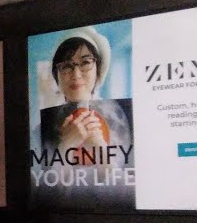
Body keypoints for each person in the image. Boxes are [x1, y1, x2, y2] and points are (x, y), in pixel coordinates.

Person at [38, 27, 131, 157]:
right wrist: (65, 147)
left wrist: (102, 153)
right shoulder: (39, 131)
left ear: (98, 71)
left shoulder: (121, 122)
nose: (76, 74)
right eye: (66, 66)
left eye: (85, 62)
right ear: (56, 76)